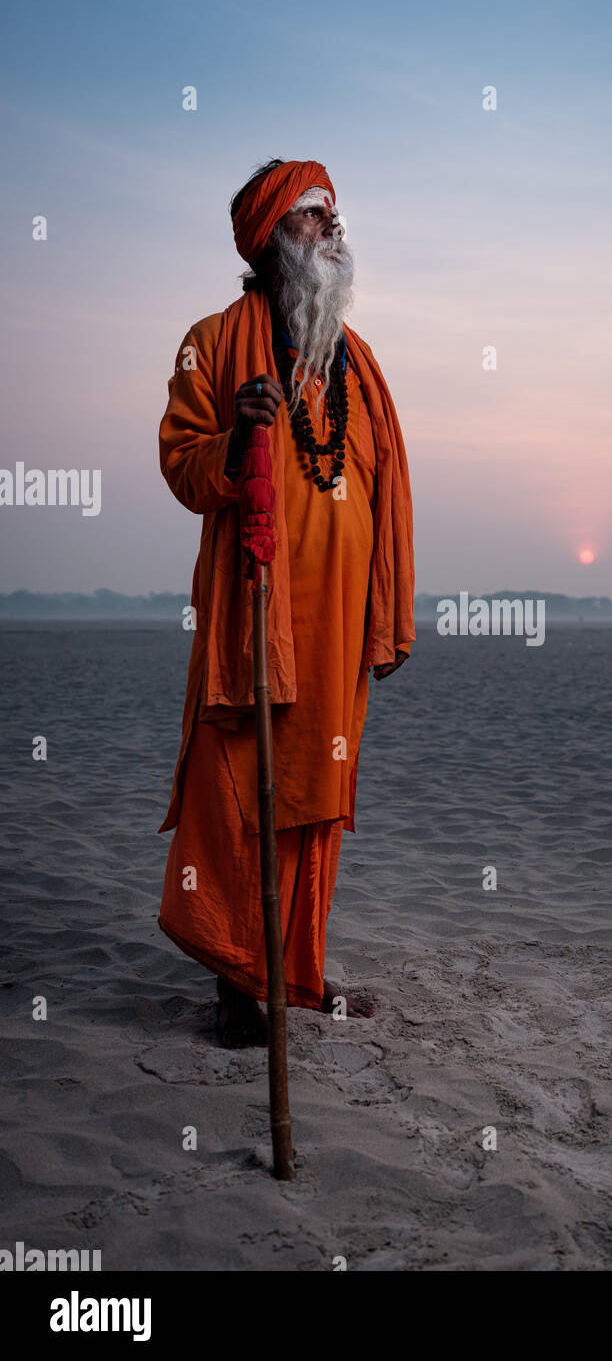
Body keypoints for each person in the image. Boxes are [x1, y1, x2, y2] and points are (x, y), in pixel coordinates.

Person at [157, 158, 415, 1047]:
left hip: (338, 623)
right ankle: (236, 980)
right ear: (270, 241)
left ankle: (292, 965)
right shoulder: (212, 341)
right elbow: (183, 467)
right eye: (312, 217)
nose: (332, 229)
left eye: (334, 216)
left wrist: (386, 608)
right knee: (238, 788)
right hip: (253, 620)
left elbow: (388, 497)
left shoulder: (360, 363)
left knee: (313, 794)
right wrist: (236, 431)